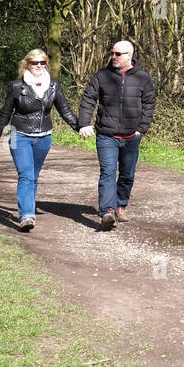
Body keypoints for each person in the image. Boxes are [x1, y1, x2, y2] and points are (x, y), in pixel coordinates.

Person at [0, 48, 80, 232]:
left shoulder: (53, 85)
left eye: (42, 63)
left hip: (44, 138)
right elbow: (5, 112)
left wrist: (80, 127)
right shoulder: (16, 86)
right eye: (34, 63)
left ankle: (27, 209)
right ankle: (27, 216)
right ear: (27, 65)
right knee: (26, 175)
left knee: (33, 176)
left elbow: (65, 110)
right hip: (18, 135)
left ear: (46, 64)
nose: (38, 66)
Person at [78, 39, 156, 230]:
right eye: (112, 53)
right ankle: (107, 212)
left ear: (129, 55)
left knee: (127, 174)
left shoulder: (143, 77)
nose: (113, 57)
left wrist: (141, 128)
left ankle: (121, 205)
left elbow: (149, 103)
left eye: (117, 54)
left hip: (131, 136)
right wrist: (84, 123)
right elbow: (88, 98)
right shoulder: (102, 76)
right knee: (107, 173)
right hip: (106, 135)